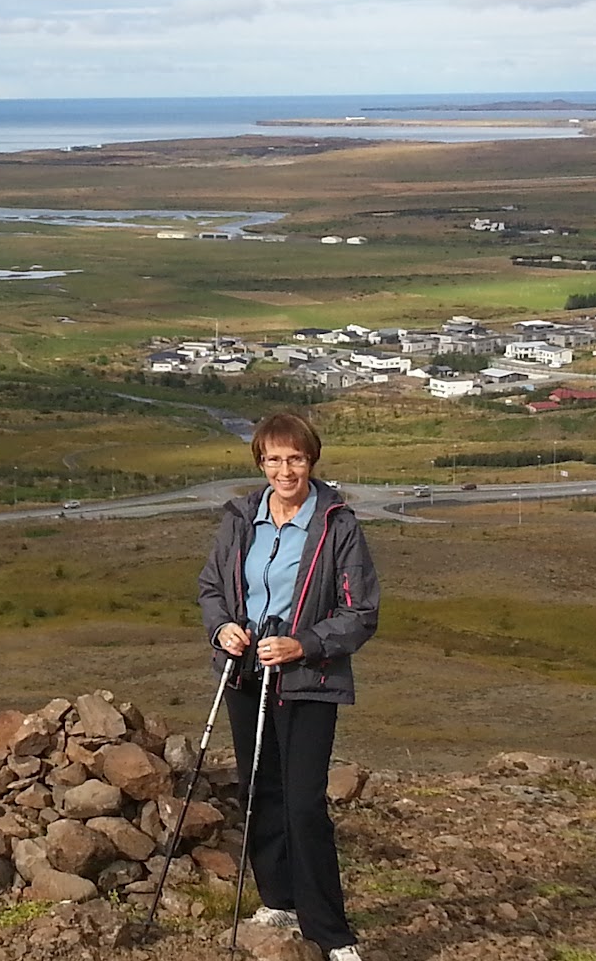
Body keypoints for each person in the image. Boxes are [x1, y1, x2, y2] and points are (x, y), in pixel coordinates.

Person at [197, 411, 379, 961]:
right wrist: (222, 627)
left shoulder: (337, 525)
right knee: (261, 794)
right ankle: (279, 898)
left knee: (303, 804)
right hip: (245, 673)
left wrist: (305, 644)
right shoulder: (240, 517)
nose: (284, 469)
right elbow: (212, 588)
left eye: (294, 458)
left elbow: (361, 612)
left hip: (307, 680)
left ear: (311, 460)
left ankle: (331, 932)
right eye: (273, 458)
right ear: (260, 461)